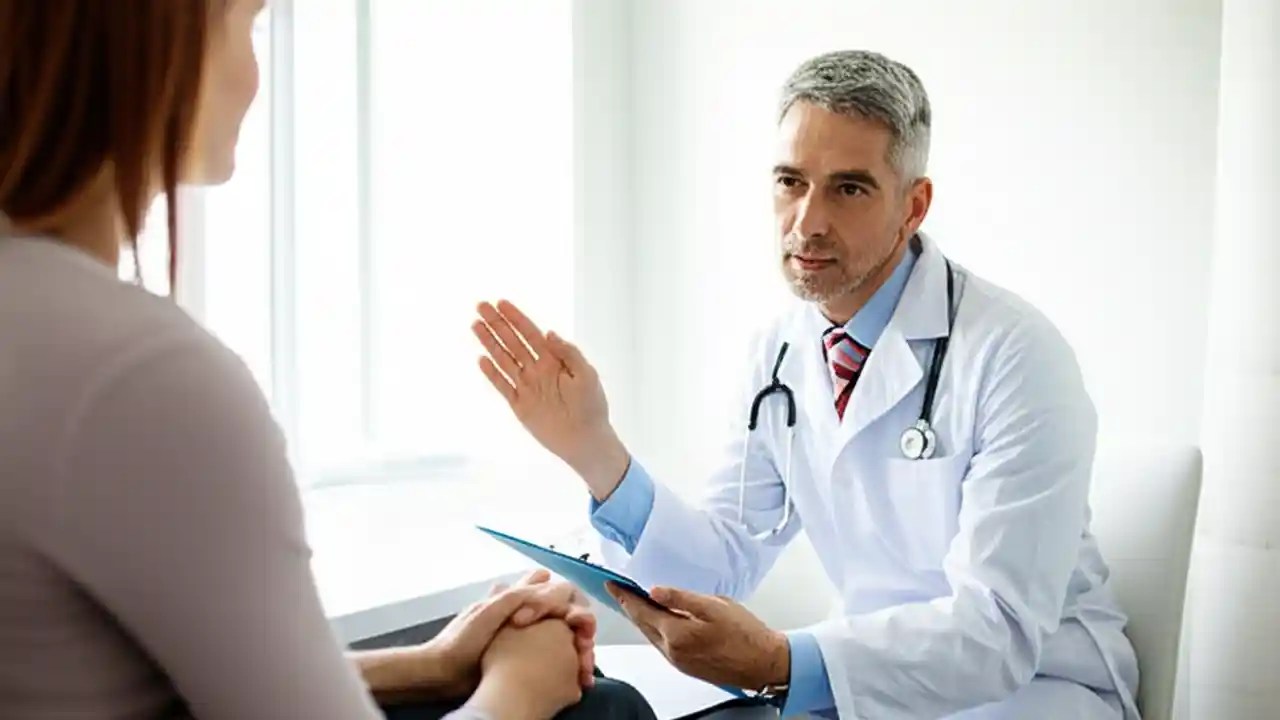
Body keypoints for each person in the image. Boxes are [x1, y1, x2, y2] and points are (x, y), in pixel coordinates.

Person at [0, 2, 656, 719]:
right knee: (603, 710)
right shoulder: (136, 377)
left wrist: (431, 664)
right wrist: (521, 687)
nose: (254, 76)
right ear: (160, 44)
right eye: (247, 26)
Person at [472, 49, 1141, 719]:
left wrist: (780, 662)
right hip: (868, 685)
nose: (807, 222)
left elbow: (999, 632)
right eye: (791, 182)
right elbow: (719, 566)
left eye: (848, 188)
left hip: (1039, 693)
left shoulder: (1016, 355)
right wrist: (595, 453)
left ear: (914, 205)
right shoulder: (780, 354)